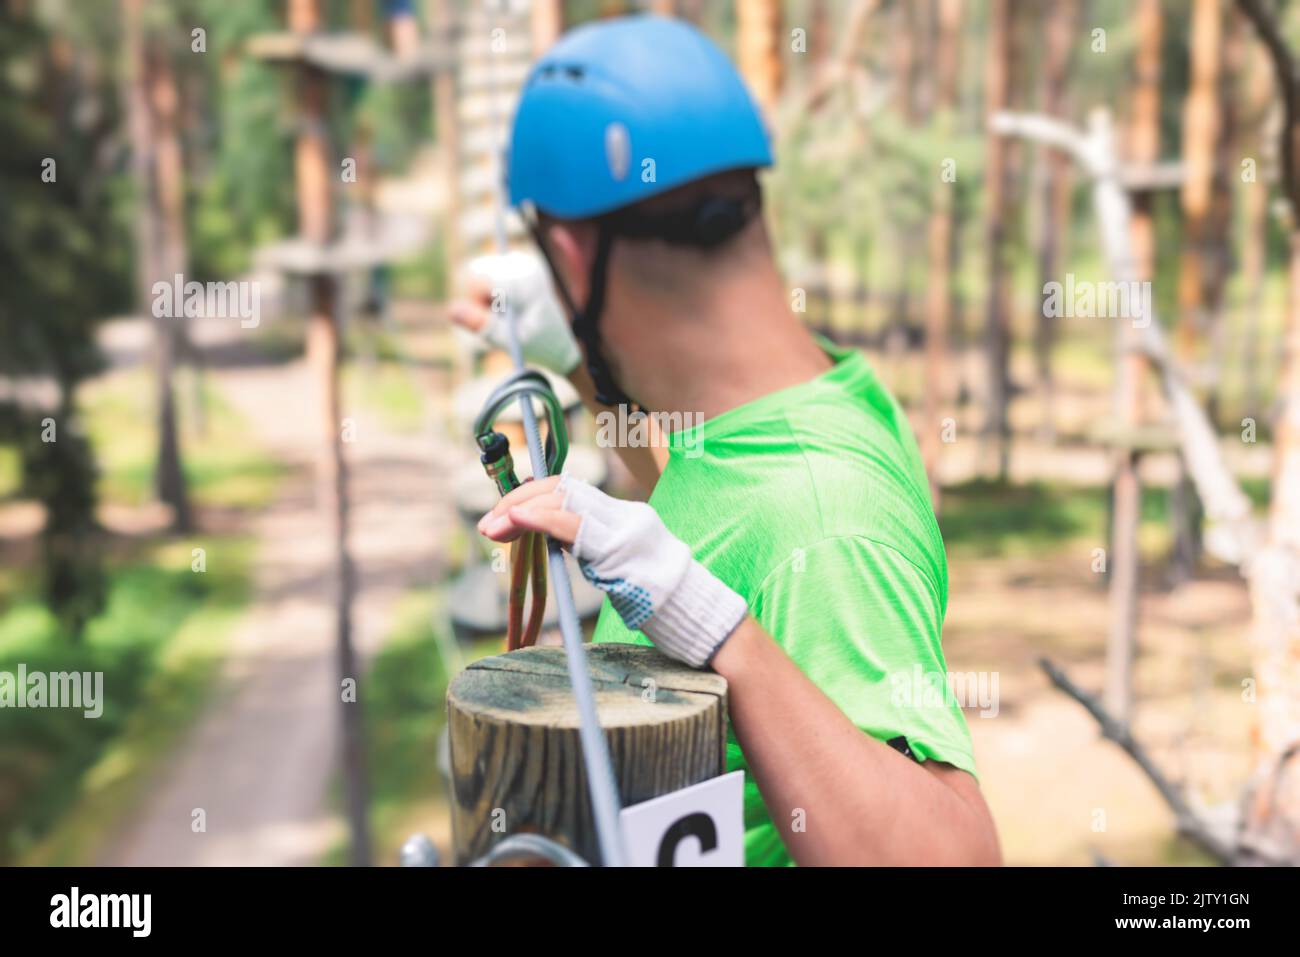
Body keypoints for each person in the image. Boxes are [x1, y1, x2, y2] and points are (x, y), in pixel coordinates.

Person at [452, 14, 1000, 867]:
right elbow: (711, 504)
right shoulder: (802, 407)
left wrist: (718, 632)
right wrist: (579, 353)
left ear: (569, 248)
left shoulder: (823, 516)